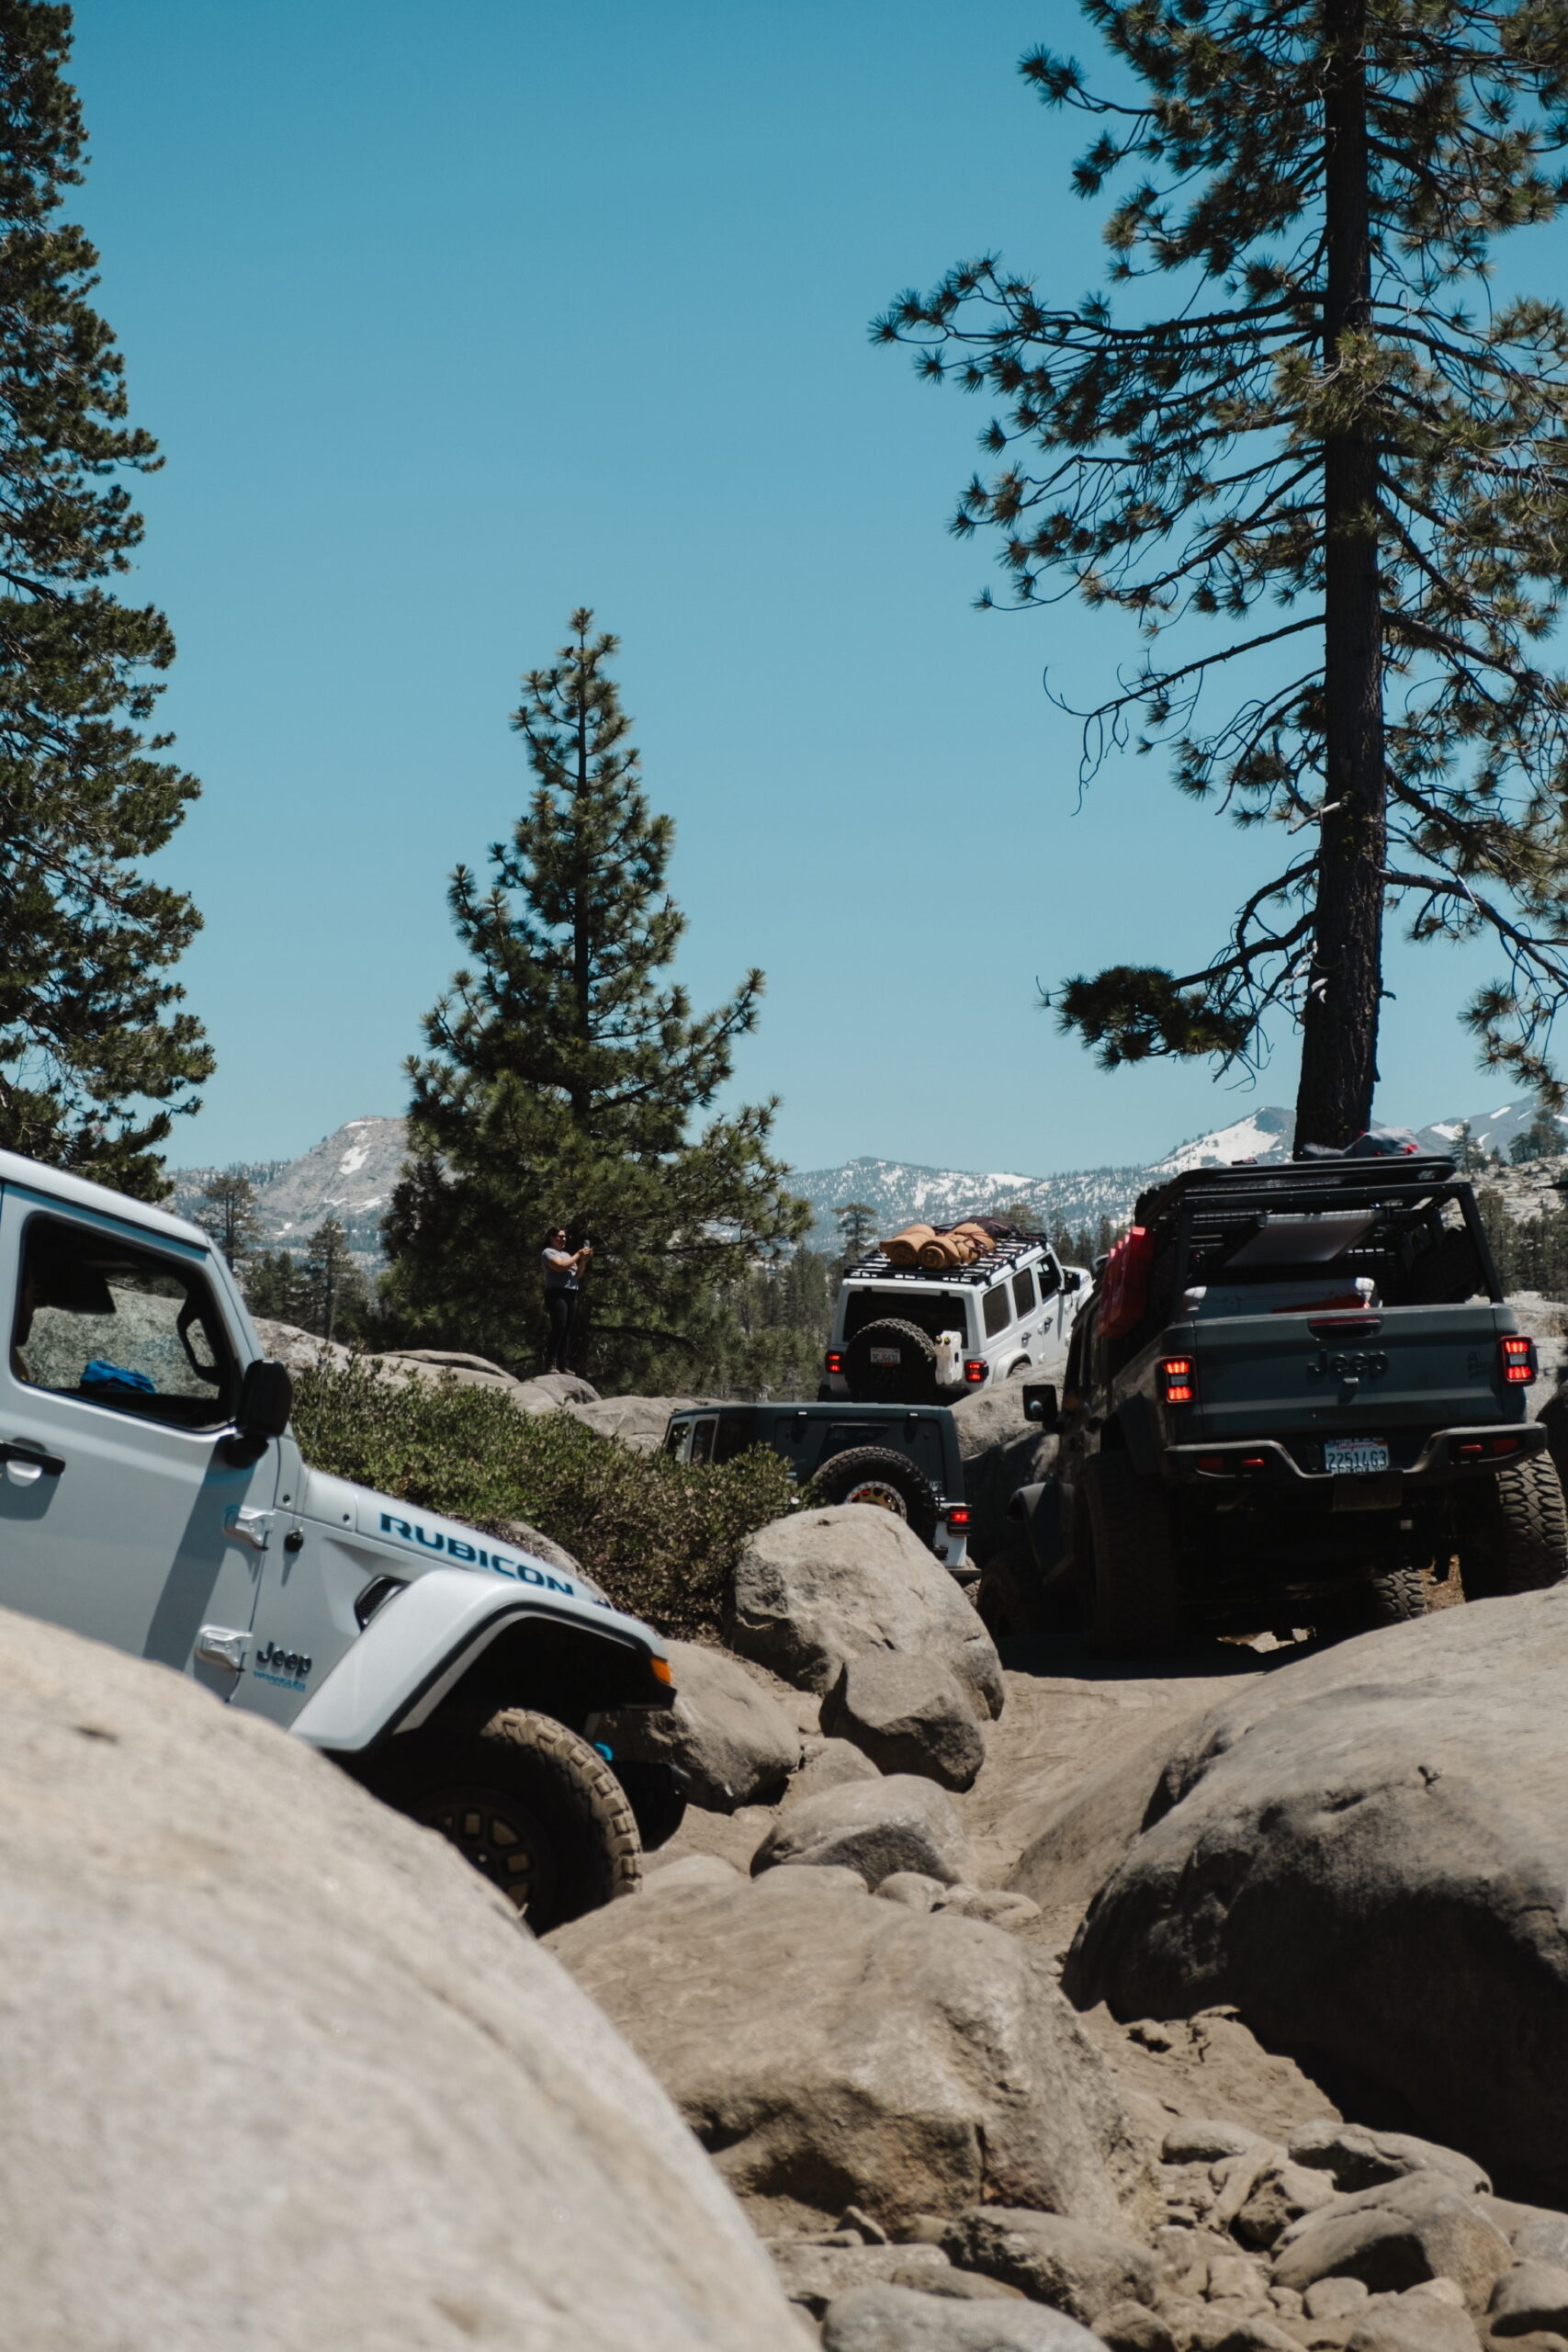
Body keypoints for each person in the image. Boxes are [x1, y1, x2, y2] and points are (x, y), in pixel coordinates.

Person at [540, 1224, 592, 1374]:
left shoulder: (568, 1255)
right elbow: (560, 1267)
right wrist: (578, 1255)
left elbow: (578, 1274)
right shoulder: (547, 1252)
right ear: (552, 1238)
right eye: (560, 1236)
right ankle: (551, 1363)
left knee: (567, 1329)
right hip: (556, 1293)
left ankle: (563, 1364)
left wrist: (584, 1261)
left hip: (571, 1292)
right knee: (559, 1327)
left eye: (564, 1237)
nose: (563, 1239)